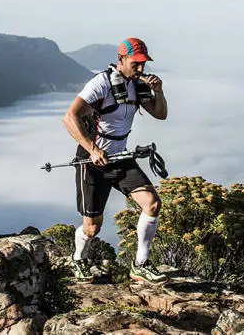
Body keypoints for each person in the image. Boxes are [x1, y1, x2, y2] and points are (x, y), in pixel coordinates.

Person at [61, 37, 169, 285]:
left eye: (144, 64)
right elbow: (70, 117)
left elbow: (161, 114)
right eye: (136, 63)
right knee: (92, 227)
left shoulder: (137, 85)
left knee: (152, 204)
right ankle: (78, 258)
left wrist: (159, 91)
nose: (141, 69)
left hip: (121, 158)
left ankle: (140, 265)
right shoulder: (102, 83)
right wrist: (92, 149)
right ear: (121, 59)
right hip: (92, 162)